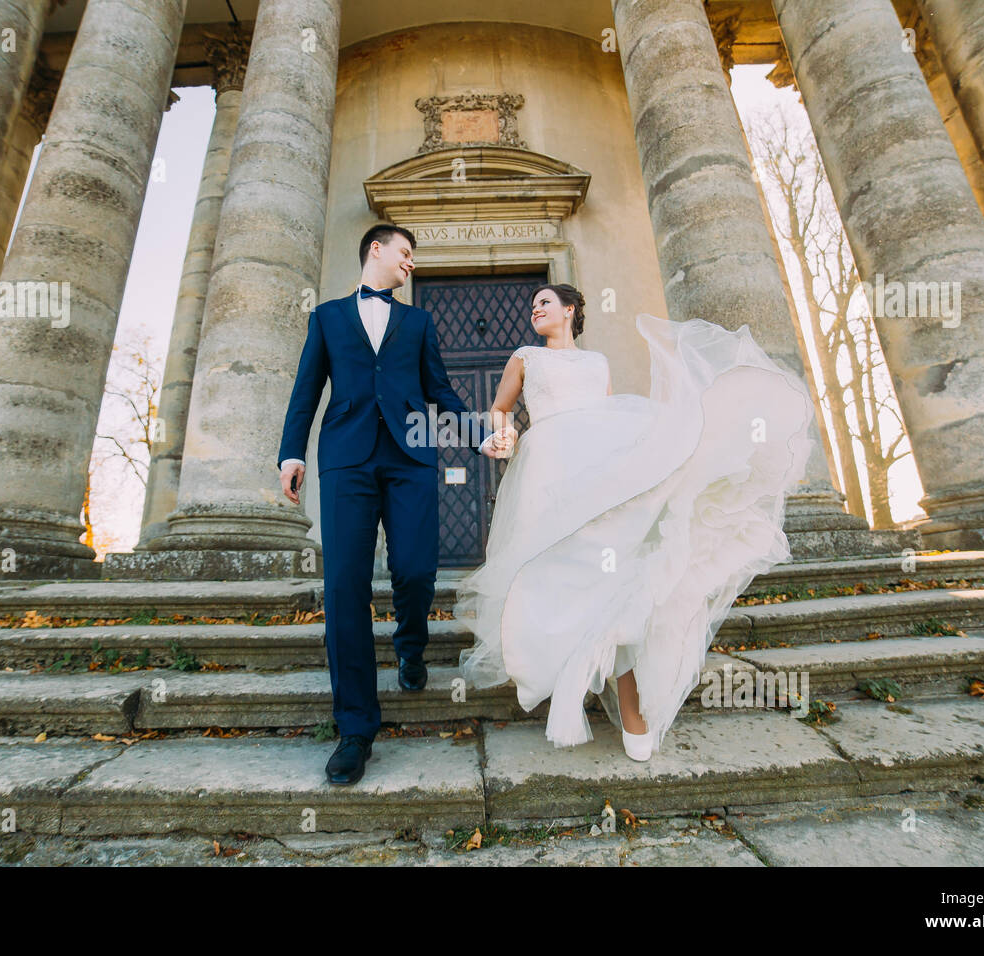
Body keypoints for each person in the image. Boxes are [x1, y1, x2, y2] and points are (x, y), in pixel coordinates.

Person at [455, 283, 813, 761]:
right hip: (546, 467)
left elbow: (606, 413)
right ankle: (570, 673)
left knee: (615, 571)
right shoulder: (525, 358)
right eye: (533, 304)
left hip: (597, 465)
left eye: (545, 302)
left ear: (571, 310)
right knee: (560, 568)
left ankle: (630, 705)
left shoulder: (597, 362)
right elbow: (500, 410)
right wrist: (504, 436)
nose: (536, 309)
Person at [277, 223, 515, 786]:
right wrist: (290, 454)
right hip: (346, 460)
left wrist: (478, 433)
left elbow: (441, 390)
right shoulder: (328, 317)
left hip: (412, 455)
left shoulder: (419, 322)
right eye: (405, 253)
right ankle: (355, 728)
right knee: (344, 587)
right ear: (376, 250)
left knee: (413, 567)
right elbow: (306, 389)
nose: (411, 263)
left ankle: (411, 645)